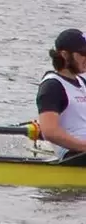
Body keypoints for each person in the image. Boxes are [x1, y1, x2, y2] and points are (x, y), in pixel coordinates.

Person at [37, 28, 86, 157]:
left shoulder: (82, 82)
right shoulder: (52, 86)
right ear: (65, 55)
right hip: (73, 154)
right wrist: (84, 146)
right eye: (83, 53)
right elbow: (49, 131)